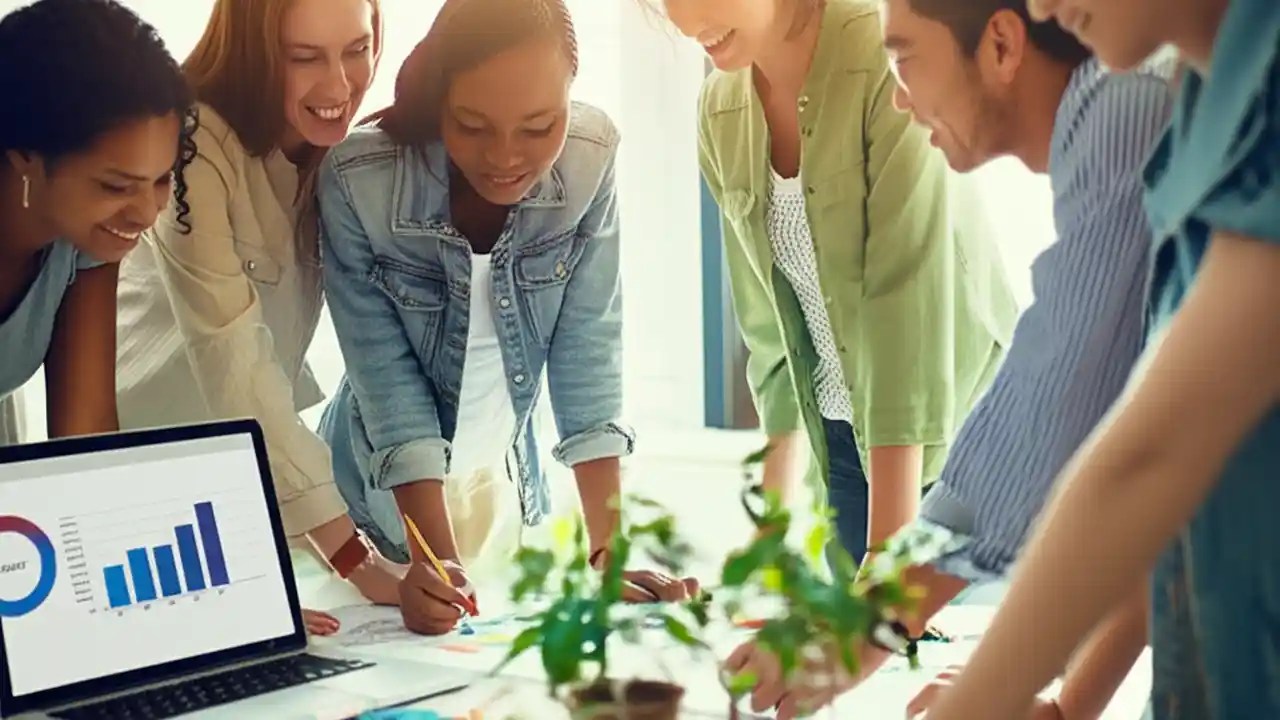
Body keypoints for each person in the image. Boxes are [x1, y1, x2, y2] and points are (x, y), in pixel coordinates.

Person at [723, 1, 1175, 715]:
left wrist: (862, 631)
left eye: (904, 58)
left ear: (1000, 43)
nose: (899, 95)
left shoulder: (1122, 99)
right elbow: (1165, 472)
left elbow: (1053, 399)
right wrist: (1066, 707)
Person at [917, 0, 1280, 718]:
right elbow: (1175, 500)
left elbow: (1154, 452)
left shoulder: (1161, 94)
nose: (1044, 5)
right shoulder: (1197, 98)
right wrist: (1064, 706)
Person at [317, 0, 700, 637]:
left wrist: (608, 552)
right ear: (442, 99)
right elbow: (385, 381)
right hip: (374, 500)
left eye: (537, 126)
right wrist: (435, 562)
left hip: (498, 485)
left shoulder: (590, 158)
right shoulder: (361, 179)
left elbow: (588, 348)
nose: (504, 156)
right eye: (472, 124)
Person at [664, 0, 1017, 574]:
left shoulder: (886, 54)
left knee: (961, 656)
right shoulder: (719, 106)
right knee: (852, 655)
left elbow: (905, 299)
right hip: (844, 453)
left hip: (964, 440)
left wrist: (889, 549)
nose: (687, 19)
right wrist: (772, 533)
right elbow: (766, 330)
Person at [113, 0, 407, 607]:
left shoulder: (335, 152)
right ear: (254, 49)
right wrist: (359, 561)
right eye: (304, 58)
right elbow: (236, 365)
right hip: (144, 486)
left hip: (249, 484)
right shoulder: (191, 147)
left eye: (357, 49)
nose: (339, 86)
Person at [0, 0, 193, 444]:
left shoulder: (86, 239)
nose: (146, 214)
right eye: (115, 186)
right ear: (26, 157)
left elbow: (86, 438)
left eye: (161, 178)